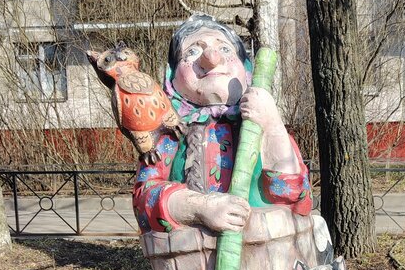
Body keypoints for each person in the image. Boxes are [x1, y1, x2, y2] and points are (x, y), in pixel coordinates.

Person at [132, 14, 312, 233]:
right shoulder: (169, 136)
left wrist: (272, 126)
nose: (211, 57)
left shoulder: (261, 125)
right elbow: (144, 202)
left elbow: (294, 196)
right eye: (192, 52)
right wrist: (199, 207)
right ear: (172, 75)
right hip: (193, 258)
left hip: (266, 255)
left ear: (245, 69)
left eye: (225, 49)